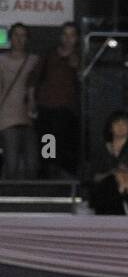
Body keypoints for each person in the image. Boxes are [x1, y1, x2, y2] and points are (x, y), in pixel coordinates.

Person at [34, 22, 80, 179]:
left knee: (64, 144)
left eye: (72, 35)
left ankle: (61, 173)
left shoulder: (80, 57)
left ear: (76, 38)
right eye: (65, 34)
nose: (68, 39)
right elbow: (35, 79)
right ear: (61, 37)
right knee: (48, 141)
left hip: (67, 109)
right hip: (47, 107)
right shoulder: (49, 55)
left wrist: (77, 67)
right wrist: (33, 103)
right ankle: (48, 171)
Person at [0, 23, 39, 181]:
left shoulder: (34, 60)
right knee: (12, 163)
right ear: (10, 38)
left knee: (32, 164)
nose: (19, 39)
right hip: (6, 116)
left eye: (23, 35)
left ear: (28, 39)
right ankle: (8, 201)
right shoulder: (1, 60)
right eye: (16, 35)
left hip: (28, 118)